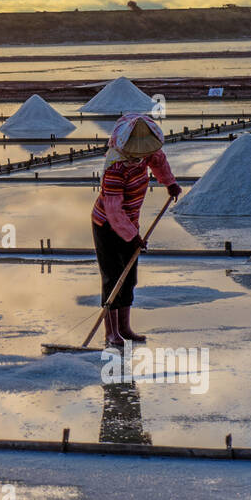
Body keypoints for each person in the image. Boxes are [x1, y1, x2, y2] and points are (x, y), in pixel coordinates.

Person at [91, 113, 182, 347]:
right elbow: (113, 211)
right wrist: (133, 238)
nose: (144, 156)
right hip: (108, 225)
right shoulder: (115, 168)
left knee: (129, 277)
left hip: (131, 224)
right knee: (113, 277)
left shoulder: (142, 153)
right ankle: (111, 333)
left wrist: (169, 182)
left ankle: (125, 328)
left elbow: (159, 161)